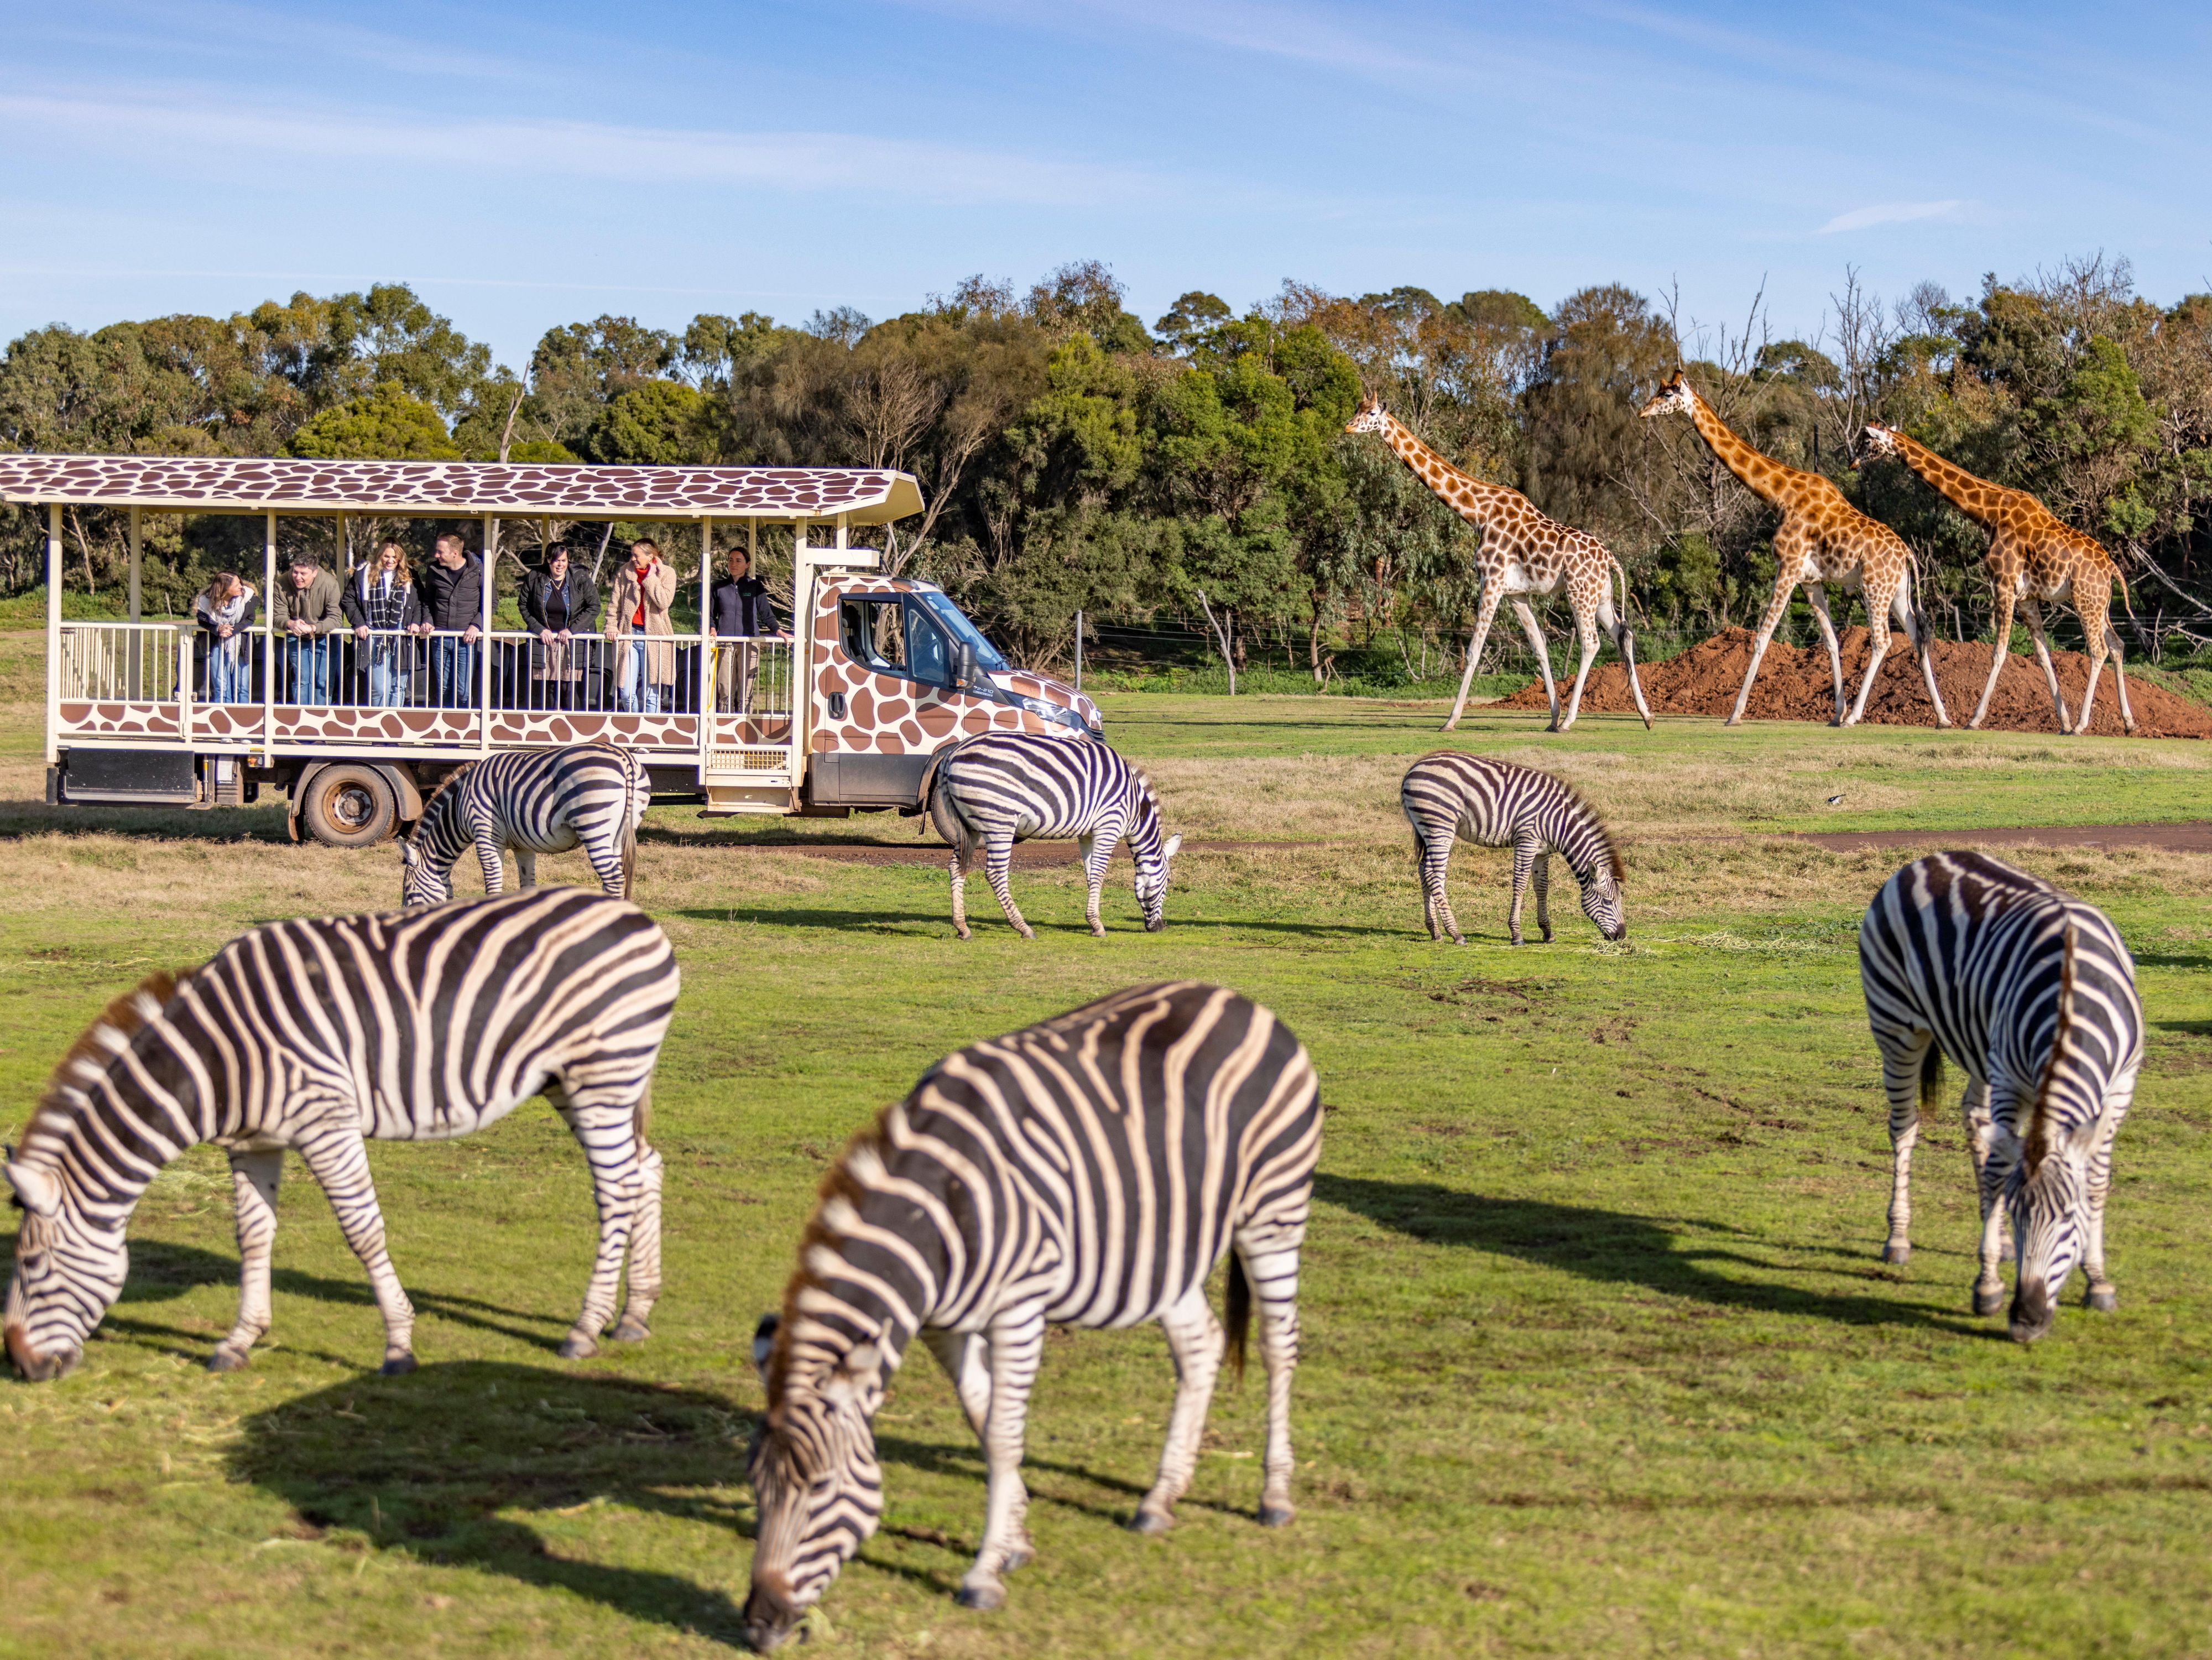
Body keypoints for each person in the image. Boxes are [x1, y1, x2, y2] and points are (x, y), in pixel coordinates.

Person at [342, 540, 425, 707]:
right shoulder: (363, 575)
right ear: (380, 554)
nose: (390, 560)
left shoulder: (411, 576)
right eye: (387, 556)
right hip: (375, 637)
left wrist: (416, 622)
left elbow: (420, 603)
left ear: (401, 557)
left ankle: (393, 727)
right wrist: (359, 623)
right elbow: (348, 600)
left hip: (402, 638)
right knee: (379, 688)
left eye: (395, 557)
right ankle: (378, 724)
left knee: (398, 687)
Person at [518, 543, 600, 710]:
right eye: (556, 560)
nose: (560, 564)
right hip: (545, 642)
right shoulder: (535, 578)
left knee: (568, 688)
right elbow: (523, 605)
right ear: (548, 560)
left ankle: (572, 726)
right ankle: (547, 726)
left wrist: (572, 630)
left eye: (564, 560)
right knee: (546, 688)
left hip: (572, 642)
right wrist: (539, 629)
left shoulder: (580, 577)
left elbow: (594, 606)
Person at [709, 544, 787, 713]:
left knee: (746, 690)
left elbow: (766, 614)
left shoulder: (755, 586)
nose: (733, 564)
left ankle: (746, 728)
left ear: (748, 564)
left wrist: (779, 631)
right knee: (725, 690)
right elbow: (709, 615)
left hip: (750, 643)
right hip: (725, 643)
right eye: (730, 560)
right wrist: (712, 628)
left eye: (738, 560)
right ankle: (724, 728)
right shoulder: (718, 587)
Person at [413, 533, 484, 709]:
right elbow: (427, 600)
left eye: (440, 552)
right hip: (440, 639)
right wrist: (427, 619)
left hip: (466, 641)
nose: (436, 555)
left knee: (463, 692)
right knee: (442, 689)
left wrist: (476, 625)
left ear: (454, 553)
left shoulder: (479, 570)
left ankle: (466, 728)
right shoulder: (433, 570)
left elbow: (491, 601)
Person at [604, 539, 676, 713]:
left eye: (636, 555)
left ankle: (651, 732)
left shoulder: (667, 573)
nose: (633, 559)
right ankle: (634, 726)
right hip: (629, 635)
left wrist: (650, 578)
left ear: (650, 556)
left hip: (654, 637)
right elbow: (615, 604)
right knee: (626, 691)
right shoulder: (625, 572)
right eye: (632, 555)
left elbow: (664, 602)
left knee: (651, 695)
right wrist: (611, 626)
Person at [275, 553, 344, 704]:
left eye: (303, 574)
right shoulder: (281, 583)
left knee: (323, 680)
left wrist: (314, 627)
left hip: (326, 636)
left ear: (315, 573)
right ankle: (301, 717)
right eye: (295, 572)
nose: (298, 577)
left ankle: (321, 717)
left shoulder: (330, 583)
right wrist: (290, 623)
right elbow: (278, 616)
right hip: (296, 635)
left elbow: (336, 618)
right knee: (302, 678)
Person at [193, 571, 257, 704]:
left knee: (242, 687)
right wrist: (218, 629)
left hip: (241, 645)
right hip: (216, 644)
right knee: (221, 687)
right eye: (237, 584)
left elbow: (250, 619)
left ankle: (243, 718)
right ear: (224, 588)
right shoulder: (206, 602)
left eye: (241, 582)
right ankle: (222, 718)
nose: (241, 586)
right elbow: (203, 621)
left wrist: (231, 630)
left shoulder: (247, 597)